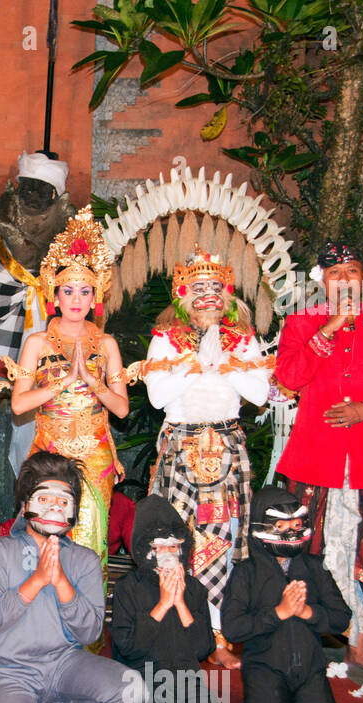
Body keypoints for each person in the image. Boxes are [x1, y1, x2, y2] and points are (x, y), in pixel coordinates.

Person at [275, 241, 363, 674]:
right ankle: (296, 639)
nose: (345, 280)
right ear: (322, 280)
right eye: (335, 274)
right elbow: (288, 377)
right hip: (311, 459)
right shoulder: (302, 324)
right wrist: (329, 330)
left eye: (352, 272)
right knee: (301, 544)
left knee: (362, 550)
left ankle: (358, 644)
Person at [140, 247, 271, 668]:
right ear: (182, 294)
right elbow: (158, 397)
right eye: (199, 287)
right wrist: (195, 363)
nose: (208, 295)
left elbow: (259, 394)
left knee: (221, 538)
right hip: (181, 446)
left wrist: (229, 363)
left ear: (229, 293)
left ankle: (215, 633)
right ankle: (176, 628)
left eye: (216, 287)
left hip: (225, 447)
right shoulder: (165, 338)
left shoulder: (243, 338)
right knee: (175, 537)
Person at [0, 453, 146, 703]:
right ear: (25, 506)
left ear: (74, 512)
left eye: (62, 500)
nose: (54, 506)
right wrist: (37, 580)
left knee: (133, 691)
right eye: (44, 498)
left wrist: (62, 582)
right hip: (11, 669)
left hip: (65, 664)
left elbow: (90, 634)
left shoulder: (85, 560)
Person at [8, 207, 129, 568]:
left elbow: (121, 409)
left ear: (96, 298)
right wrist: (63, 382)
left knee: (90, 538)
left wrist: (93, 382)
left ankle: (85, 613)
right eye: (68, 291)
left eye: (84, 291)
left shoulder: (107, 344)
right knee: (45, 533)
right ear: (55, 296)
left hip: (95, 454)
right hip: (49, 450)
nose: (76, 299)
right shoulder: (38, 343)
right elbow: (18, 406)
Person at [222, 487, 350, 703]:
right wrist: (277, 613)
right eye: (280, 525)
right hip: (265, 667)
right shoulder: (246, 573)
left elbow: (341, 618)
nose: (291, 531)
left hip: (310, 669)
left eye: (296, 524)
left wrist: (308, 613)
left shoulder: (315, 567)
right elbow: (233, 629)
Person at [111, 495, 238, 703]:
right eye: (160, 547)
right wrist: (161, 605)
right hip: (141, 678)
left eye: (174, 547)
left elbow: (202, 649)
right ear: (144, 547)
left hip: (183, 678)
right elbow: (127, 648)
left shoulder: (194, 589)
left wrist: (179, 603)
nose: (168, 554)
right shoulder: (127, 587)